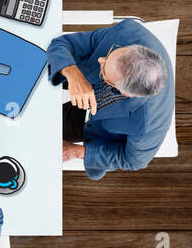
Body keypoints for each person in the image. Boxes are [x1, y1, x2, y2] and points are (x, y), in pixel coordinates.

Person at [48, 18, 173, 179]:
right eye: (110, 54)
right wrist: (72, 74)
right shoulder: (128, 32)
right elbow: (62, 44)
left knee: (44, 127)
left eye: (105, 70)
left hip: (99, 123)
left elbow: (134, 161)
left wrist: (77, 151)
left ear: (125, 93)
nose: (101, 59)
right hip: (83, 74)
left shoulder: (150, 126)